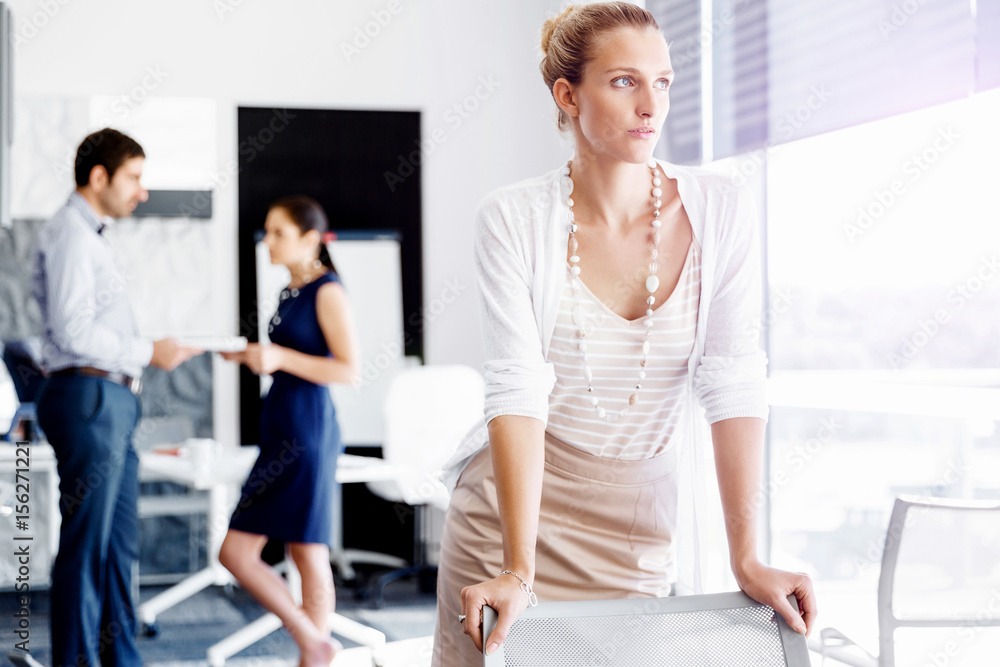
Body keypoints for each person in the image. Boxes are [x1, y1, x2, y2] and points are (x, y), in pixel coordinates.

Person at [431, 4, 817, 663]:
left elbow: (733, 380)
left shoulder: (721, 210)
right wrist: (518, 567)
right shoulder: (513, 219)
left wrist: (745, 556)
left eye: (662, 82)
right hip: (512, 507)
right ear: (567, 93)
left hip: (637, 517)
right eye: (623, 82)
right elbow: (518, 387)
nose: (650, 106)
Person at [33, 128, 202, 666]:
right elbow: (71, 332)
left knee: (116, 548)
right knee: (88, 548)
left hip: (110, 400)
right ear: (98, 176)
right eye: (134, 177)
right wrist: (149, 349)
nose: (142, 191)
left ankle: (121, 661)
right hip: (89, 397)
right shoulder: (72, 235)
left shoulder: (92, 235)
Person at [218, 196, 360, 667]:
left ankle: (313, 650)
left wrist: (277, 359)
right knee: (281, 550)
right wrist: (251, 355)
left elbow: (348, 370)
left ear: (310, 239)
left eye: (278, 232)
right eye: (267, 232)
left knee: (301, 551)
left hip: (307, 430)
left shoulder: (327, 291)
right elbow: (291, 358)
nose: (268, 242)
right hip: (282, 426)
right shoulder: (289, 291)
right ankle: (314, 645)